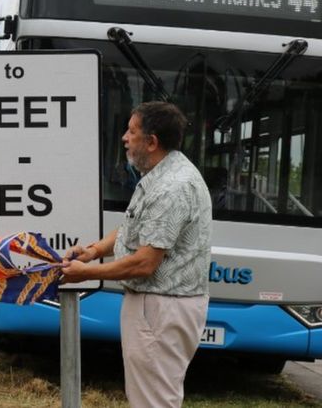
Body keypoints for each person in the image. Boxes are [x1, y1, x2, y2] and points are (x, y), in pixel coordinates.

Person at [61, 101, 212, 408]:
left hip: (160, 308)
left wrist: (84, 273)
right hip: (161, 306)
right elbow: (134, 228)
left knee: (153, 402)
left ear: (152, 141)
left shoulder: (172, 187)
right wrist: (92, 252)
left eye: (132, 131)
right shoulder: (164, 174)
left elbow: (145, 262)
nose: (124, 138)